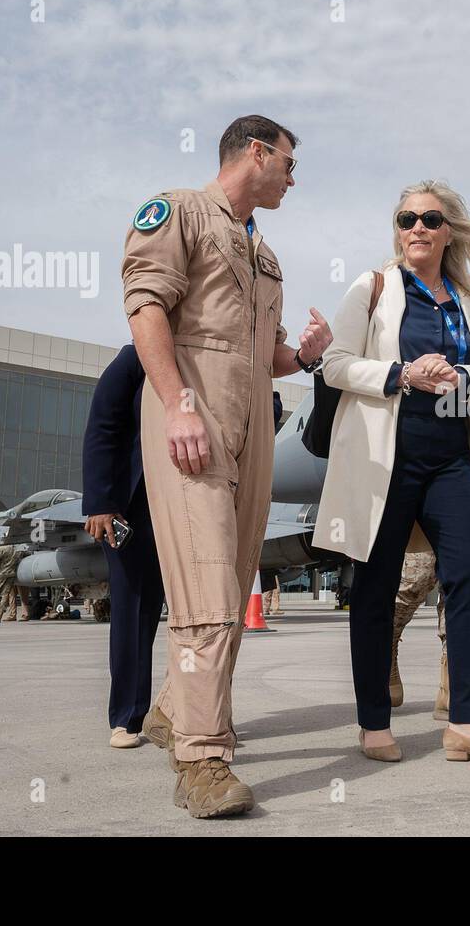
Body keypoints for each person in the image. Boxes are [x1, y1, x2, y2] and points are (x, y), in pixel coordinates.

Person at [121, 115, 331, 818]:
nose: (293, 180)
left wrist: (303, 353)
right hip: (194, 407)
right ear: (257, 152)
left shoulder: (264, 254)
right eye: (290, 165)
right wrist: (178, 405)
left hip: (254, 418)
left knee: (236, 585)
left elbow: (268, 352)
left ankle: (169, 711)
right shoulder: (179, 210)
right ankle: (202, 761)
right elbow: (146, 306)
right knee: (208, 589)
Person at [315, 179, 470, 765]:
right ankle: (374, 722)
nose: (415, 228)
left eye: (428, 219)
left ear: (449, 232)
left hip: (450, 460)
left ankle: (468, 721)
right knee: (374, 589)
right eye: (405, 219)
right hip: (384, 460)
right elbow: (335, 364)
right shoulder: (372, 287)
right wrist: (401, 375)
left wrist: (458, 376)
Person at [390, 413, 470, 720]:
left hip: (468, 472)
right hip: (423, 468)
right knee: (418, 575)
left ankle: (453, 687)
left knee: (466, 583)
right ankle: (385, 646)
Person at [82, 343, 166, 750]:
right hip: (134, 509)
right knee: (135, 610)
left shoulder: (210, 358)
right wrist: (101, 502)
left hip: (194, 504)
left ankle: (193, 712)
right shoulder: (136, 357)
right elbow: (104, 426)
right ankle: (128, 717)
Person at [0, 544, 21, 623]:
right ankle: (0, 615)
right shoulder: (19, 549)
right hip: (11, 574)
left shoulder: (1, 548)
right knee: (5, 595)